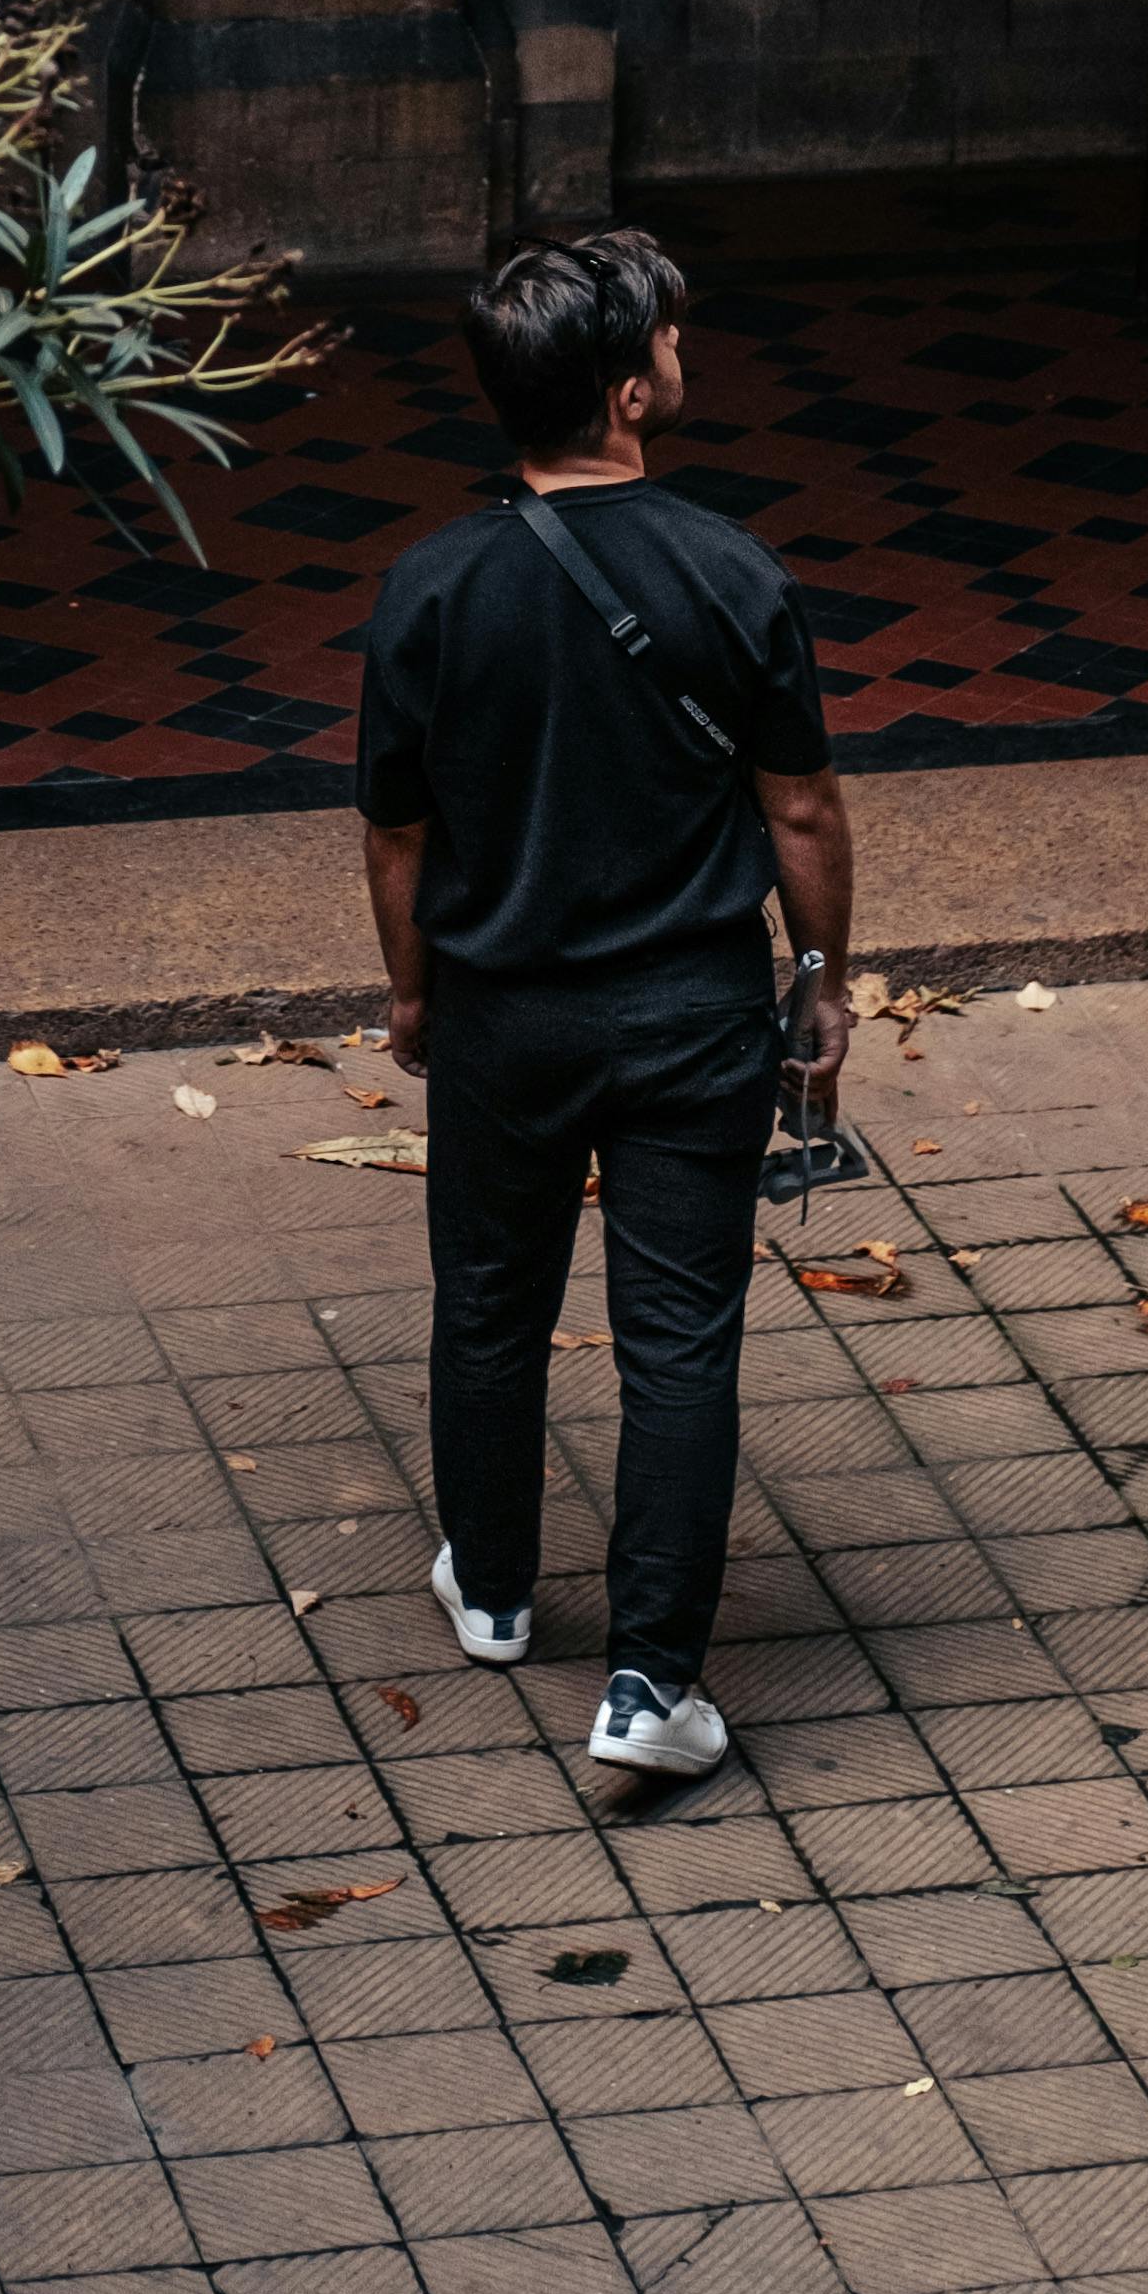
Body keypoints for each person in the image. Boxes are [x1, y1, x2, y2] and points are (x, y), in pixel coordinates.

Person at [354, 223, 854, 1781]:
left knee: (489, 1305)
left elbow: (395, 831)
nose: (685, 360)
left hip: (502, 1015)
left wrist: (413, 990)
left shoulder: (429, 585)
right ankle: (650, 1690)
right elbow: (800, 810)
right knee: (679, 1344)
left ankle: (494, 1590)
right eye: (675, 344)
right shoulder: (731, 570)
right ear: (630, 394)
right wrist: (822, 976)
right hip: (691, 1015)